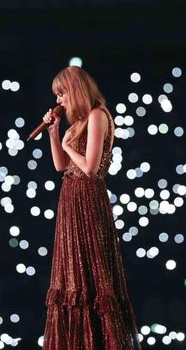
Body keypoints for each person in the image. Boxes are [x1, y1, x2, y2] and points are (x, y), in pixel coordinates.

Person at [42, 66, 141, 350]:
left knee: (93, 272)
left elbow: (90, 168)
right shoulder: (78, 122)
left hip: (88, 198)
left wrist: (67, 144)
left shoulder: (98, 116)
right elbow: (61, 165)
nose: (59, 101)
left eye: (61, 94)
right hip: (69, 201)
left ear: (74, 90)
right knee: (72, 274)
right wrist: (54, 132)